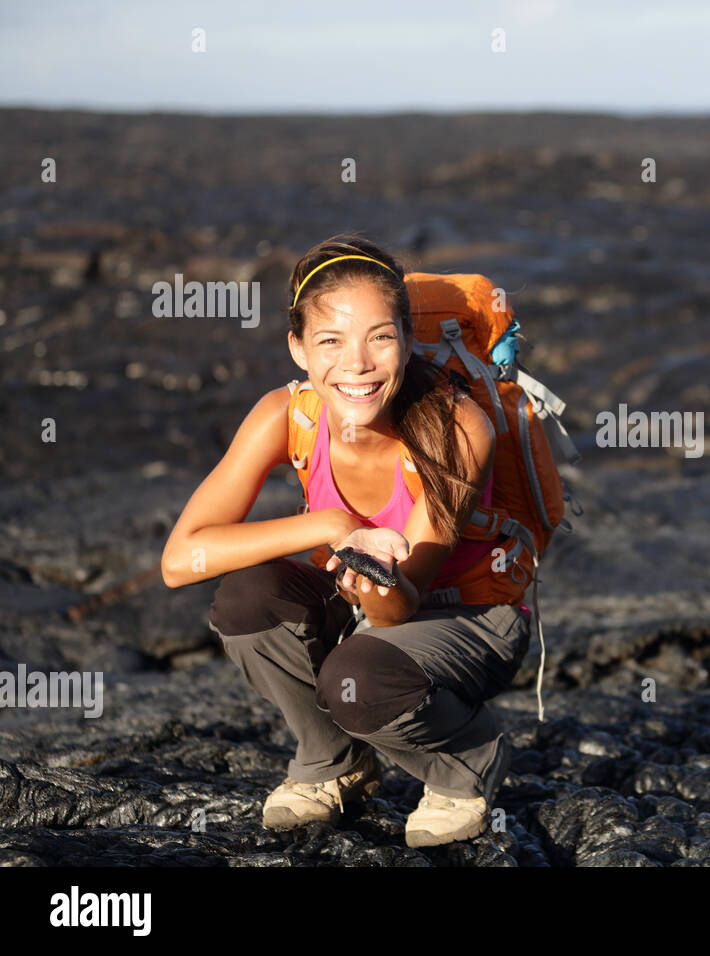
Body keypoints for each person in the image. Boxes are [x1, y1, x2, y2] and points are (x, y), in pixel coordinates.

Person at [160, 234, 531, 847]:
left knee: (356, 673)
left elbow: (401, 604)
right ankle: (335, 764)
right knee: (247, 599)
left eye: (380, 338)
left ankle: (466, 760)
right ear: (298, 348)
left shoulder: (458, 426)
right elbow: (180, 560)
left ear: (408, 343)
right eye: (330, 341)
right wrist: (334, 529)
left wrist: (374, 580)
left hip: (470, 615)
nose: (356, 365)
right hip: (372, 606)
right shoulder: (288, 414)